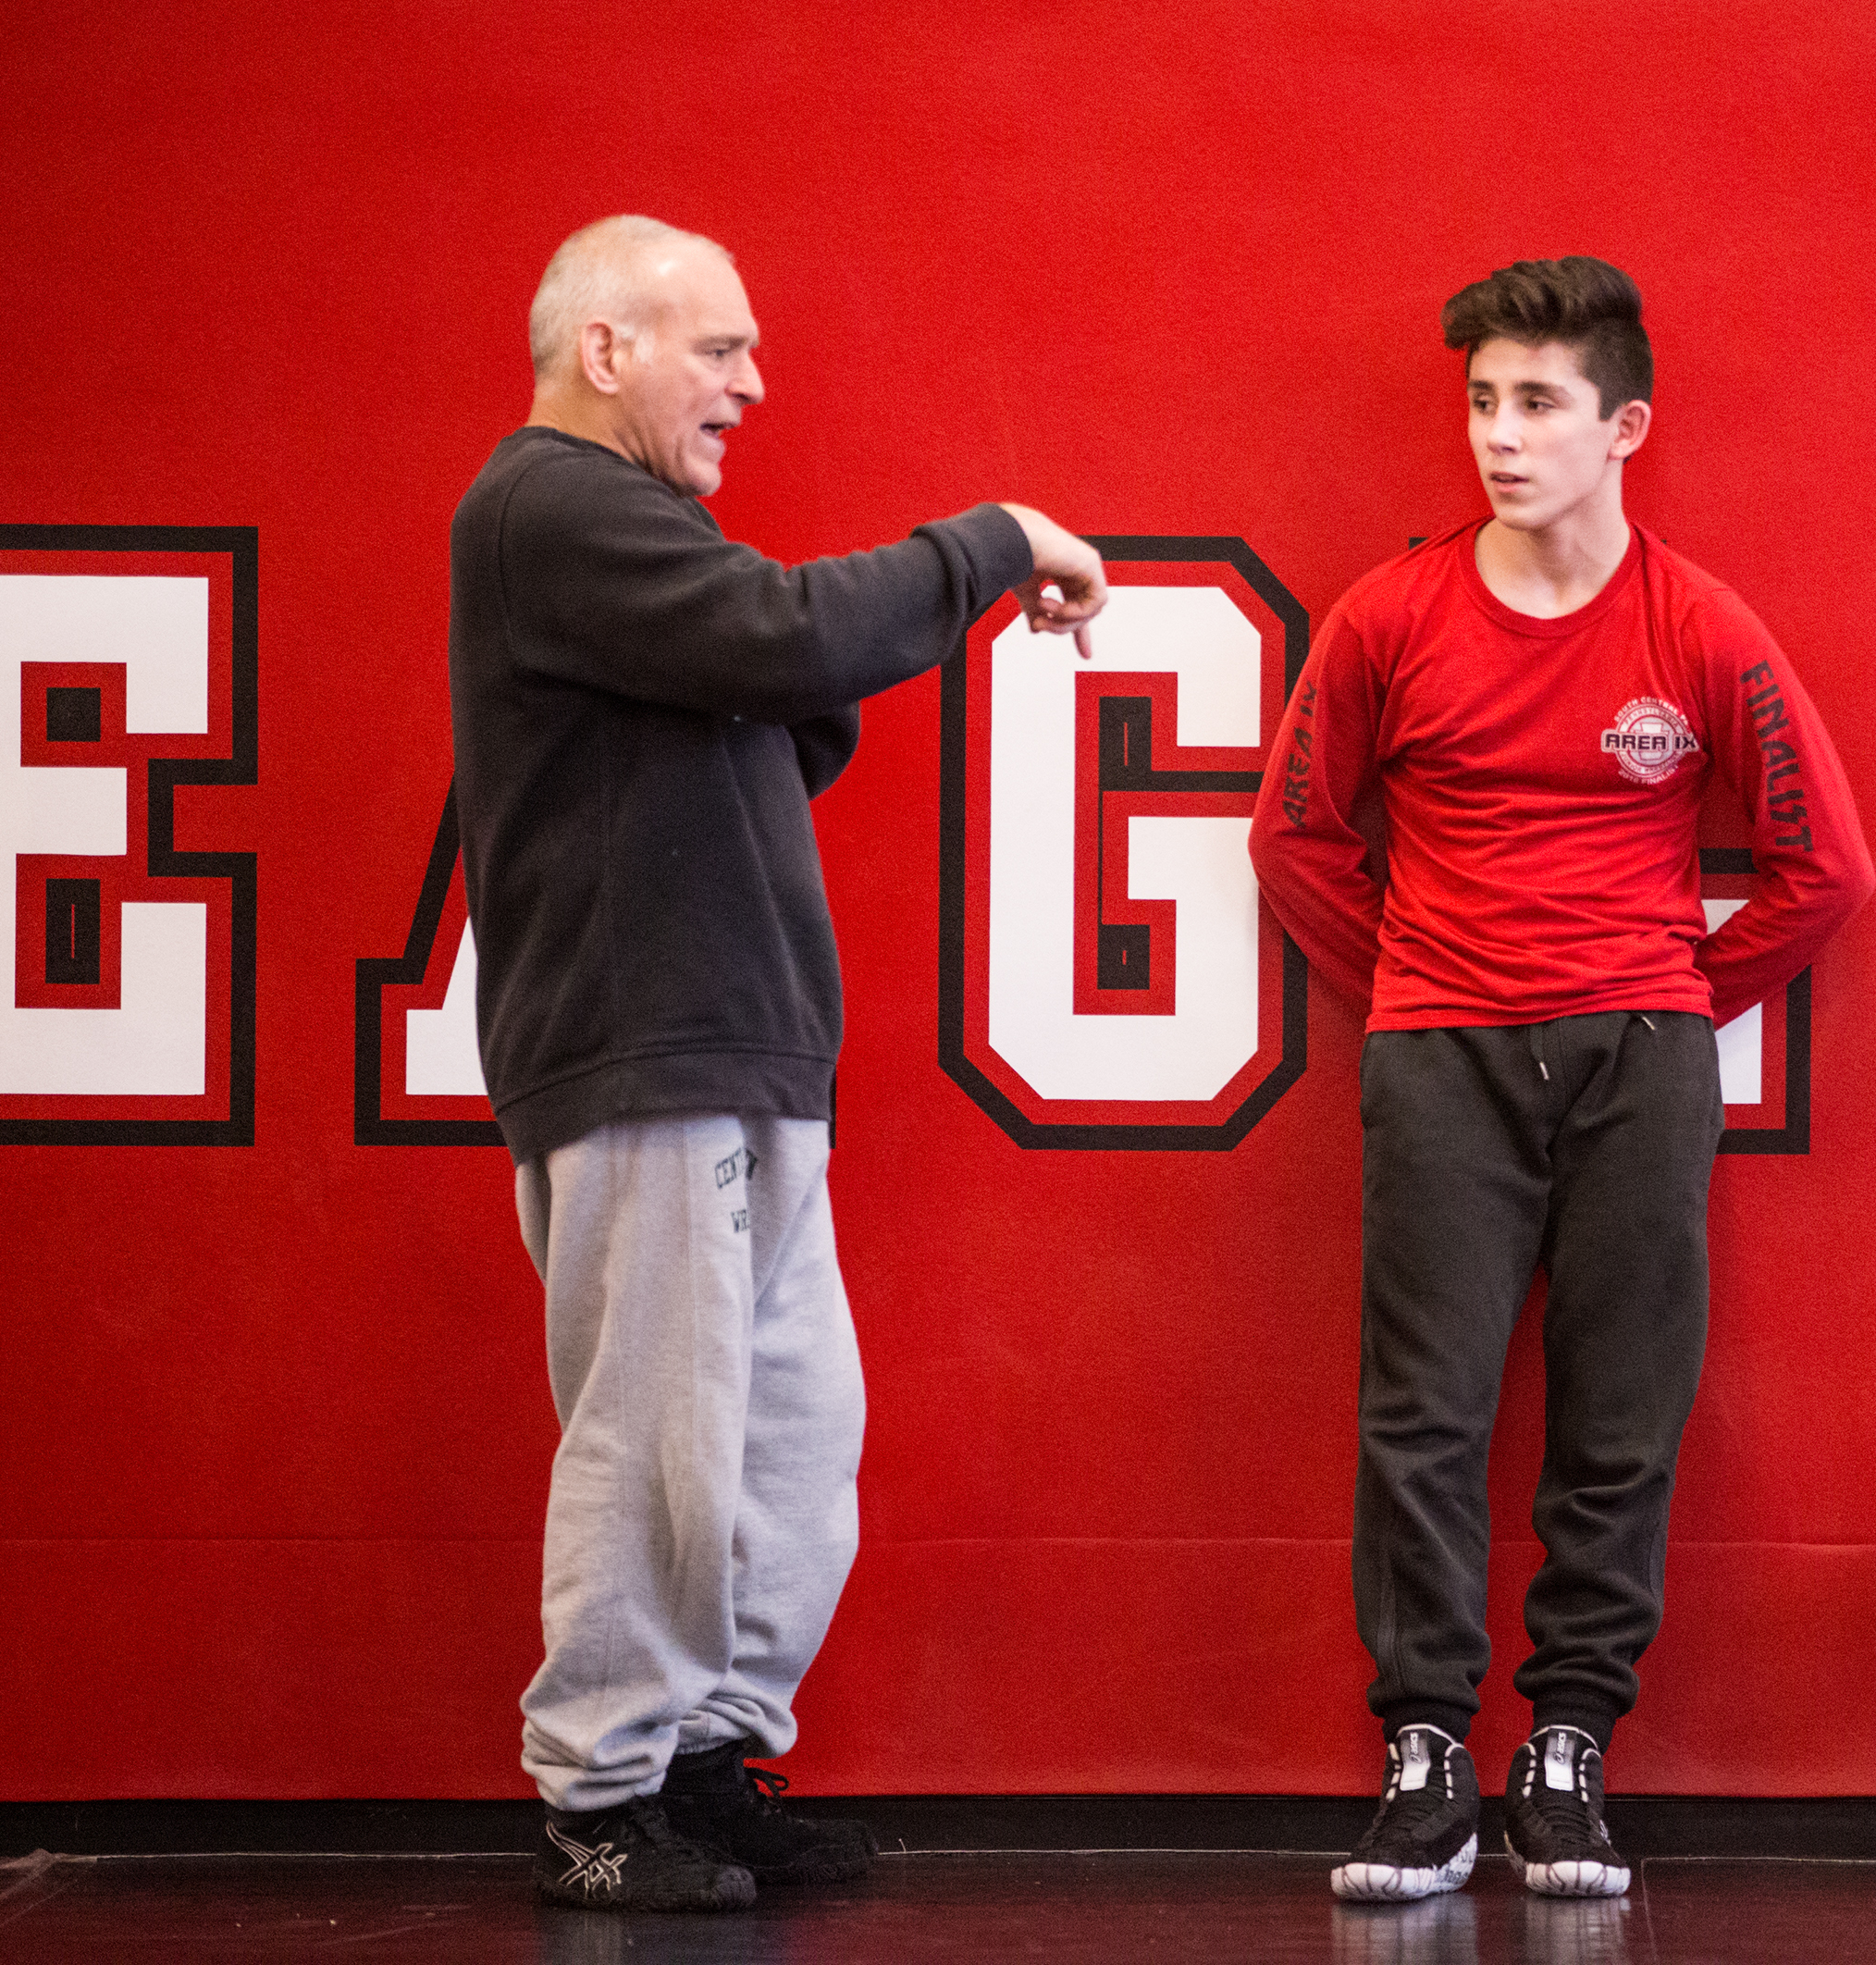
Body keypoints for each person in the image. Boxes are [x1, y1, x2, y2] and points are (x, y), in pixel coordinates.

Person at [449, 214, 1105, 1912]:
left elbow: (778, 681)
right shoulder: (547, 499)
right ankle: (601, 1793)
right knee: (660, 1433)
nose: (753, 379)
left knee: (788, 1442)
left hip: (741, 1056)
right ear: (607, 351)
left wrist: (783, 679)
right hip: (641, 1048)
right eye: (719, 345)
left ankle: (706, 1760)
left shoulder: (643, 540)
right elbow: (794, 642)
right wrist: (995, 541)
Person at [1249, 256, 1875, 1903]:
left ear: (1625, 426)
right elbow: (1296, 836)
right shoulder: (1390, 615)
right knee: (1423, 1417)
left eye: (1536, 404)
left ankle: (1570, 1746)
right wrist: (1412, 982)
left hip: (1640, 1064)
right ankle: (1425, 1753)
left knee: (1619, 1417)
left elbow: (1827, 871)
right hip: (1439, 1056)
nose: (1500, 438)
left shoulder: (1699, 623)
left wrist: (1670, 999)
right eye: (1481, 403)